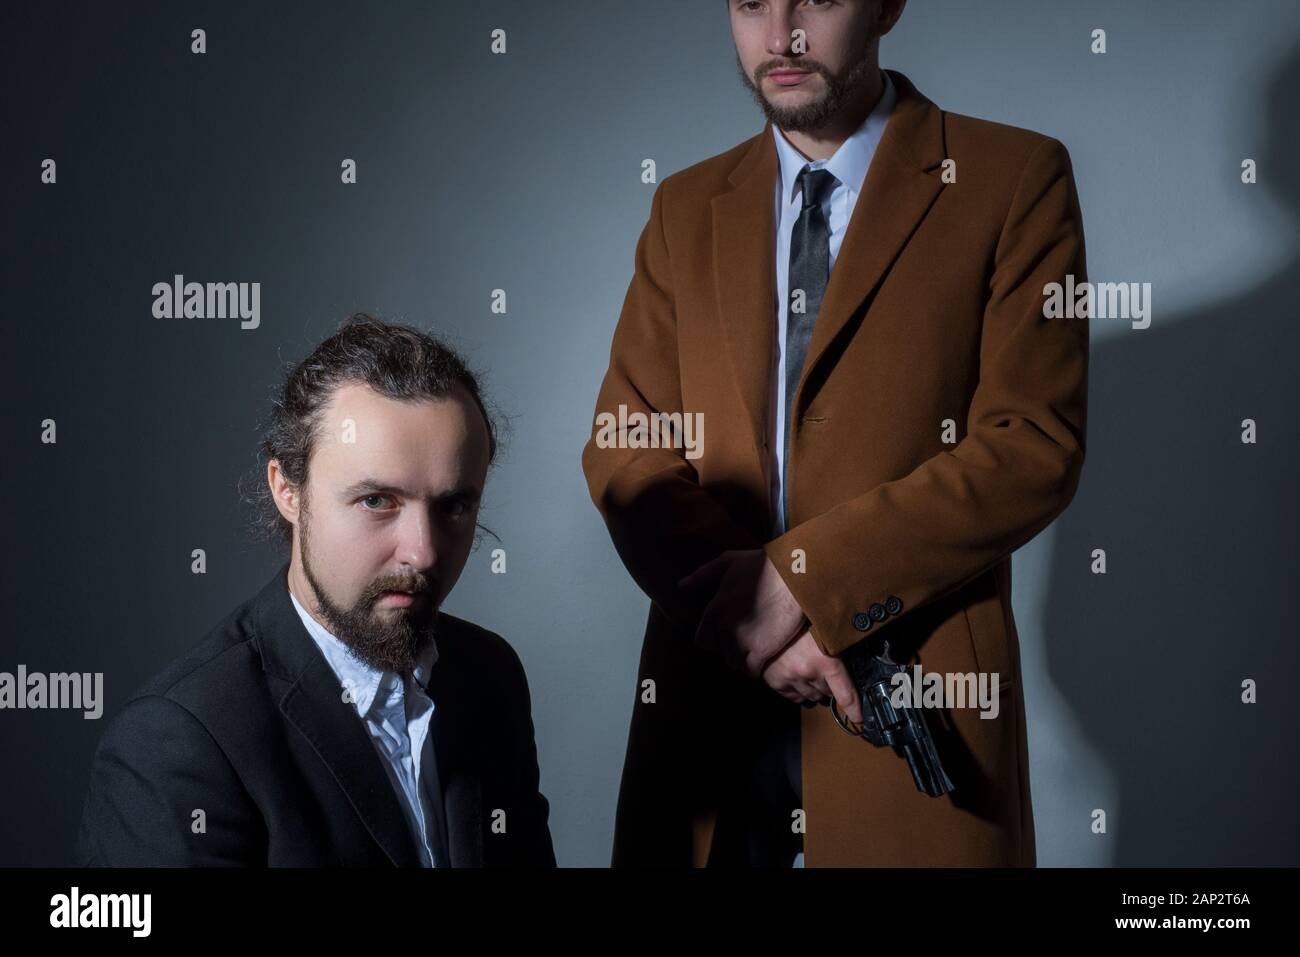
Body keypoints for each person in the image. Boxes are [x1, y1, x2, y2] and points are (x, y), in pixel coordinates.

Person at [582, 0, 1087, 866]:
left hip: (913, 704)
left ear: (888, 5)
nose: (780, 35)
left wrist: (802, 584)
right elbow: (627, 443)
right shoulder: (683, 205)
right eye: (750, 4)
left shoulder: (1013, 177)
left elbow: (1030, 444)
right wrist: (749, 618)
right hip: (709, 710)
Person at [78, 314, 556, 867]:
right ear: (287, 489)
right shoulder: (179, 742)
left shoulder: (488, 675)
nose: (422, 552)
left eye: (454, 506)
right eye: (377, 500)